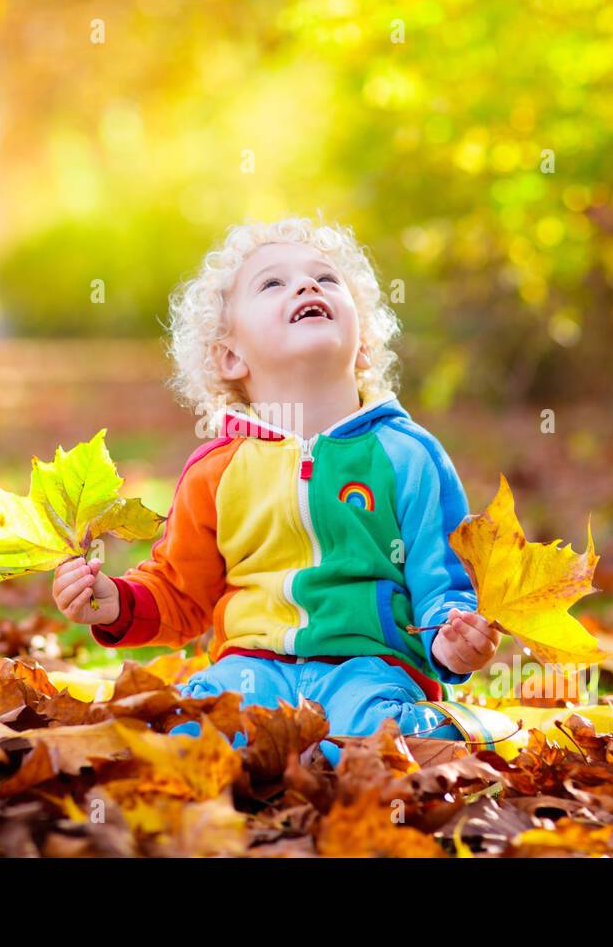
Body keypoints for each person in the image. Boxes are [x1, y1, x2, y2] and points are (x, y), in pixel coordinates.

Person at [53, 216, 500, 766]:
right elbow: (181, 592)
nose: (308, 288)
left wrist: (450, 637)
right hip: (249, 669)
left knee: (392, 747)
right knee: (182, 736)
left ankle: (375, 758)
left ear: (364, 345)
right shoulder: (216, 471)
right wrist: (114, 603)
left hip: (371, 669)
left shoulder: (409, 455)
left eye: (326, 279)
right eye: (273, 284)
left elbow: (444, 575)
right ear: (230, 357)